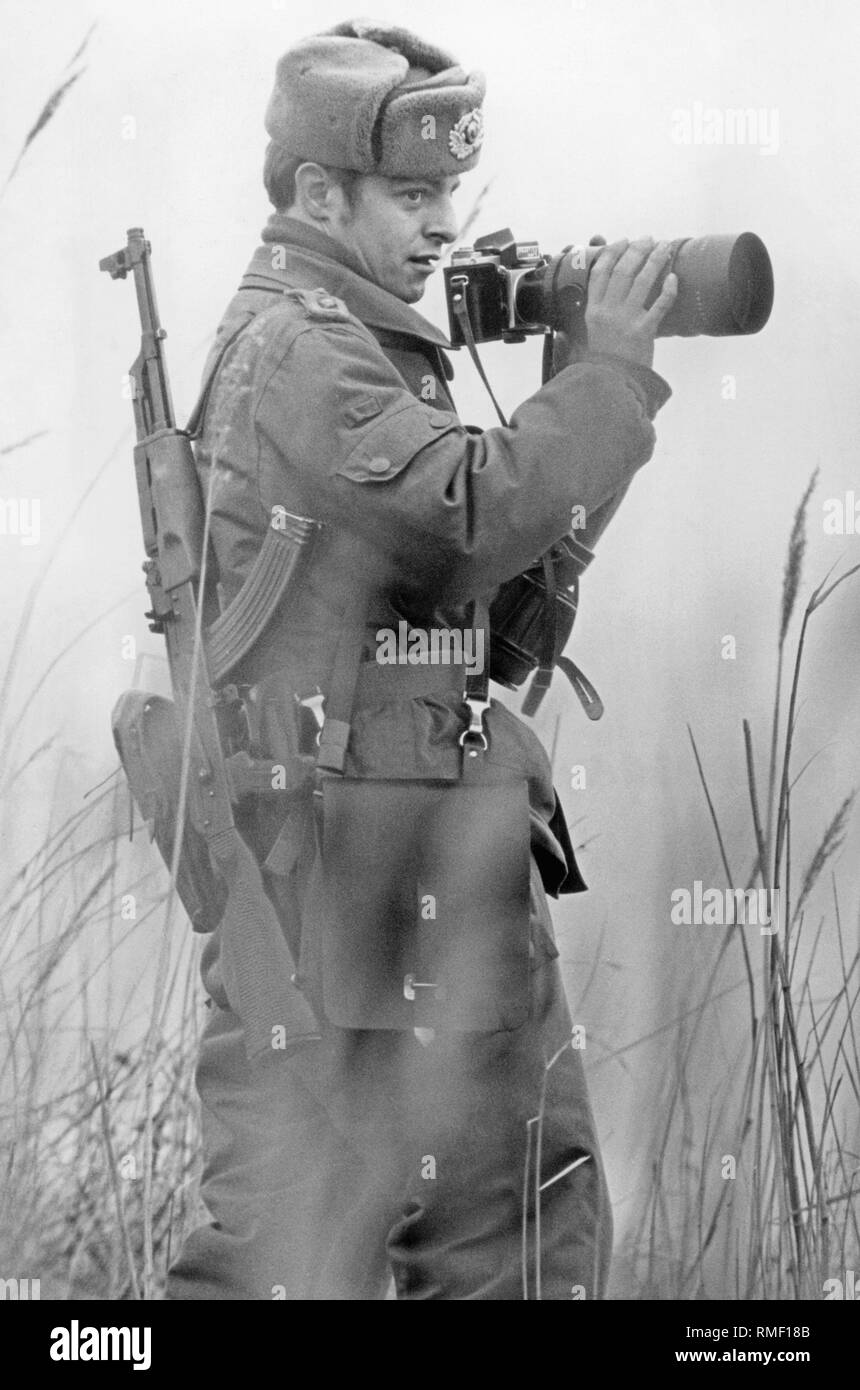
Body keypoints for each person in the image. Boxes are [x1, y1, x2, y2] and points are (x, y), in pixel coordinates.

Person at [166, 17, 676, 1301]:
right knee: (478, 1244)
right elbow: (462, 515)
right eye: (411, 192)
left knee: (345, 1254)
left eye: (450, 187)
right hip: (364, 872)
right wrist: (604, 385)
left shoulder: (341, 340)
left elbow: (482, 606)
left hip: (367, 861)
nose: (442, 220)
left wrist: (588, 397)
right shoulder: (306, 351)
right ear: (316, 193)